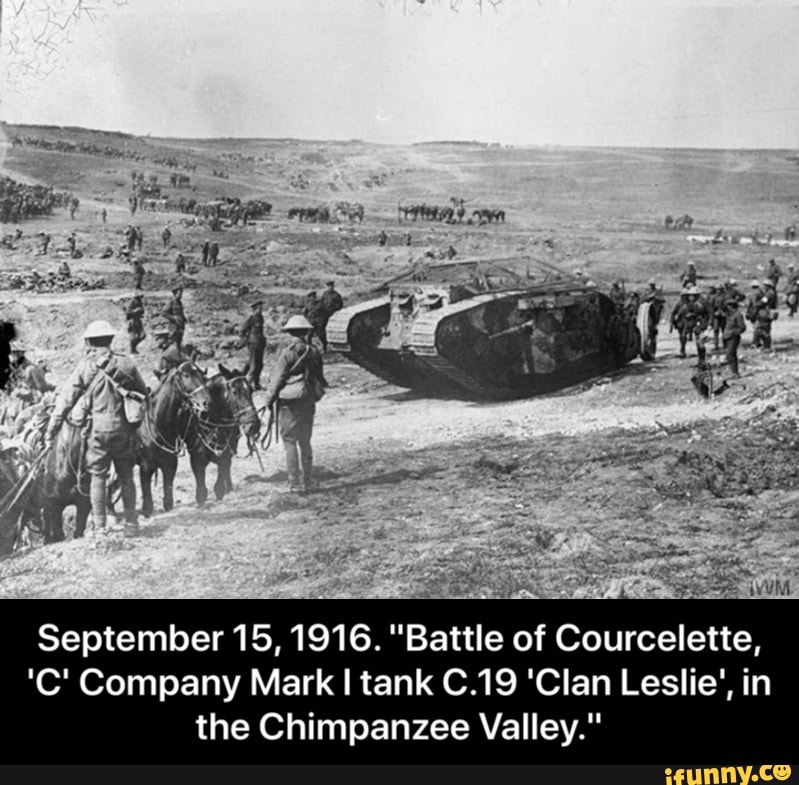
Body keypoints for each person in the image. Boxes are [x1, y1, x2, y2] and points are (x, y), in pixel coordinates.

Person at [45, 320, 148, 537]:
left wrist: (52, 428)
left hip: (97, 433)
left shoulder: (86, 366)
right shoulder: (126, 363)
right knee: (127, 476)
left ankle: (99, 528)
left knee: (98, 477)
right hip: (123, 431)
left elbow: (66, 400)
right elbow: (143, 392)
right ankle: (131, 524)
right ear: (111, 340)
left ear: (89, 342)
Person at [265, 315, 327, 493]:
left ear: (290, 332)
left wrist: (269, 399)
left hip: (288, 401)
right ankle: (308, 480)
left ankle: (293, 482)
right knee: (305, 441)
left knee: (290, 441)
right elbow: (320, 377)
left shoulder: (288, 353)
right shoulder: (314, 351)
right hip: (307, 399)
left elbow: (278, 379)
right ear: (305, 332)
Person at [239, 300, 267, 390]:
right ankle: (247, 384)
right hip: (253, 344)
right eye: (260, 308)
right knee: (253, 365)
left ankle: (256, 384)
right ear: (255, 309)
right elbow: (242, 331)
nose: (261, 309)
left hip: (260, 343)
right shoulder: (251, 318)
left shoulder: (261, 318)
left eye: (262, 308)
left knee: (259, 364)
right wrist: (246, 341)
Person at [723, 299, 746, 377]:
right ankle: (733, 371)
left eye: (729, 306)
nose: (727, 307)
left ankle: (735, 372)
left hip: (733, 337)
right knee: (730, 355)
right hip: (727, 337)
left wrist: (734, 333)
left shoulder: (738, 315)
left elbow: (742, 327)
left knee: (731, 354)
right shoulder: (729, 314)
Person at [162, 285, 186, 350]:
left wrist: (184, 318)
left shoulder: (179, 302)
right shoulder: (171, 302)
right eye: (179, 294)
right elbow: (164, 313)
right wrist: (173, 318)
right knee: (172, 340)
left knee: (179, 339)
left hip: (180, 324)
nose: (181, 295)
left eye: (181, 294)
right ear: (175, 294)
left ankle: (177, 353)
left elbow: (180, 312)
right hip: (174, 325)